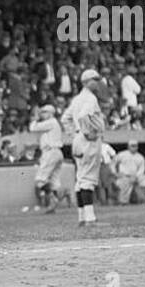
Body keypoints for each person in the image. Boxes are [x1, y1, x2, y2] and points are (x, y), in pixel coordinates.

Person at [60, 67, 105, 226]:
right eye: (95, 80)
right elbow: (83, 115)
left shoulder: (77, 99)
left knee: (80, 178)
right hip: (88, 139)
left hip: (78, 139)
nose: (98, 83)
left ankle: (82, 217)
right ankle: (90, 219)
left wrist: (75, 135)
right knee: (88, 178)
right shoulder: (90, 98)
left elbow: (66, 118)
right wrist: (86, 133)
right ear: (86, 82)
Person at [27, 103, 65, 211]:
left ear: (50, 113)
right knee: (54, 181)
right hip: (56, 152)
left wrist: (35, 116)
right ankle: (54, 203)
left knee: (40, 180)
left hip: (51, 152)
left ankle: (53, 199)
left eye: (44, 112)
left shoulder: (51, 122)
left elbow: (32, 127)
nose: (42, 114)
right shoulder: (51, 124)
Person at [113, 140, 145, 205]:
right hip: (124, 176)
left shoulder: (140, 157)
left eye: (135, 146)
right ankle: (123, 202)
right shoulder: (122, 154)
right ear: (128, 147)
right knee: (122, 185)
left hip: (136, 177)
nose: (134, 148)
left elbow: (142, 169)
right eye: (132, 146)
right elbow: (113, 163)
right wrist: (115, 173)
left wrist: (136, 177)